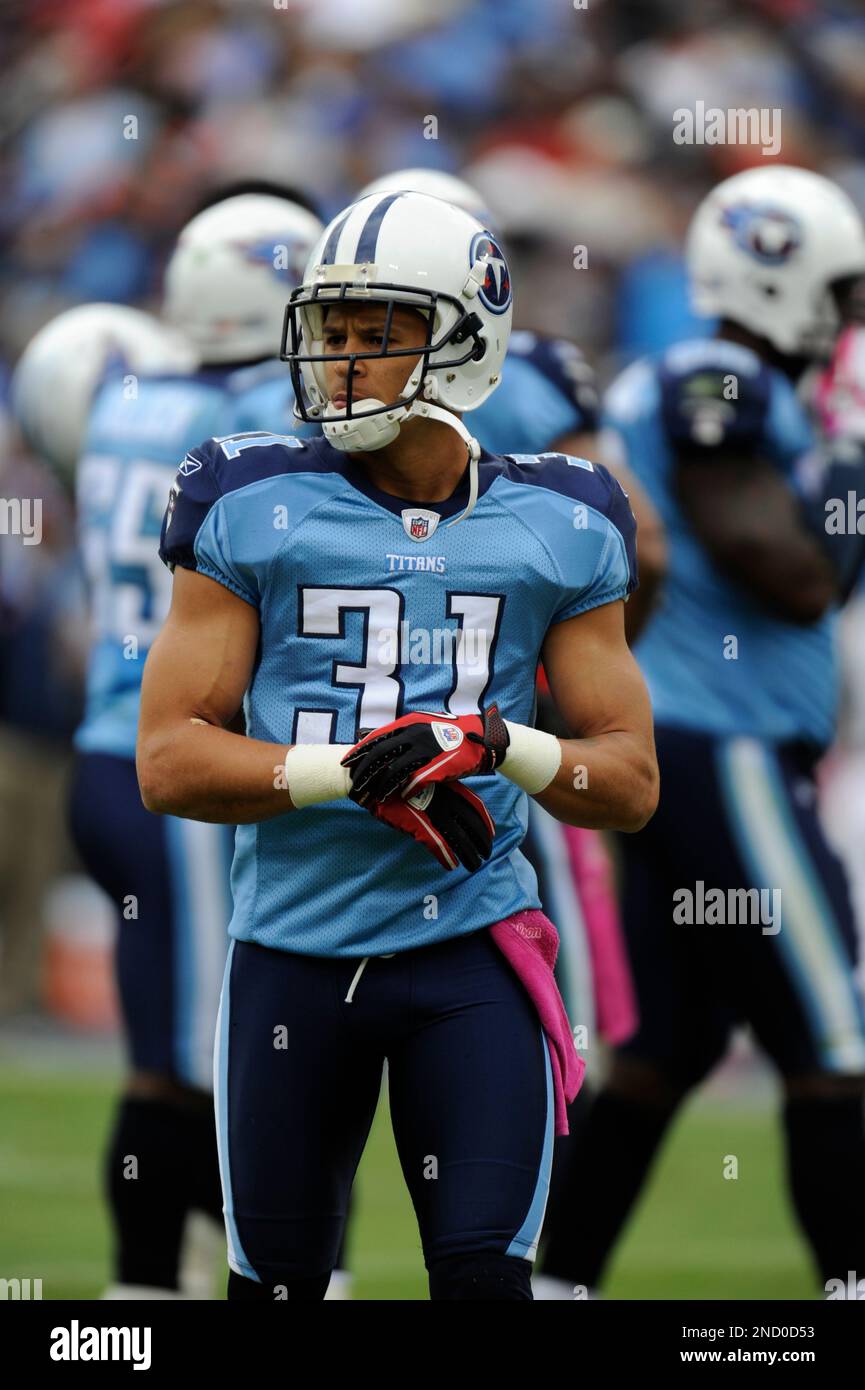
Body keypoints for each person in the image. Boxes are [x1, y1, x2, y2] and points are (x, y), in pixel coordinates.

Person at [137, 188, 658, 1301]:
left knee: (482, 1282)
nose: (337, 358)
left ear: (465, 337)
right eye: (326, 327)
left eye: (371, 330)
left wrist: (494, 741)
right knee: (278, 1288)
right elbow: (169, 758)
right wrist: (360, 771)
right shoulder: (246, 496)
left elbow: (625, 781)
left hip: (471, 954)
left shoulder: (563, 517)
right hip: (292, 953)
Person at [546, 164, 865, 1299]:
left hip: (693, 745)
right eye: (841, 292)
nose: (846, 320)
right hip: (717, 747)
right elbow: (794, 574)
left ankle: (552, 1284)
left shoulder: (718, 379)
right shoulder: (715, 377)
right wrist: (851, 456)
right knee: (838, 1042)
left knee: (661, 1053)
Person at [14, 192, 323, 1299]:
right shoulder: (259, 427)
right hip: (188, 761)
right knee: (233, 1060)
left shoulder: (127, 404)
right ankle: (279, 1272)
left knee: (166, 1065)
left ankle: (148, 1287)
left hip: (111, 751)